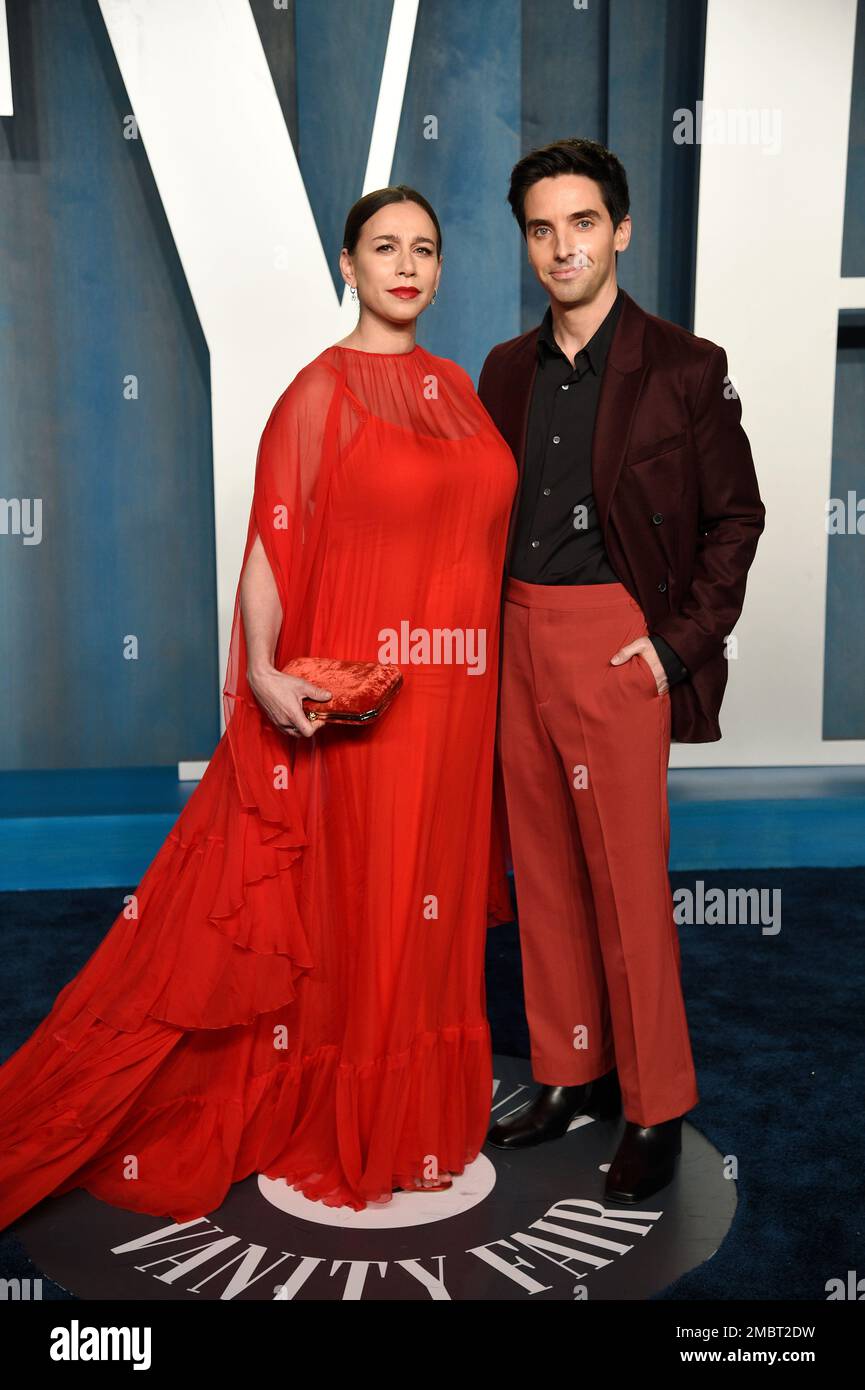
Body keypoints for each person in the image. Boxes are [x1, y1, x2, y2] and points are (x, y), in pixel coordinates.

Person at [0, 186, 517, 1226]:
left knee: (433, 905)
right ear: (347, 263)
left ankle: (420, 1119)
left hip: (457, 709)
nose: (406, 265)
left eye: (424, 248)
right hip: (360, 711)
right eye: (384, 247)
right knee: (363, 906)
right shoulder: (316, 394)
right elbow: (269, 550)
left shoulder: (461, 390)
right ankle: (353, 1118)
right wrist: (270, 670)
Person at [479, 138, 765, 1201]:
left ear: (621, 230)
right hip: (514, 636)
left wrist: (675, 644)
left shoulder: (684, 366)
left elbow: (737, 517)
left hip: (612, 643)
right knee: (542, 873)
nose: (563, 247)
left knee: (628, 886)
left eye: (583, 223)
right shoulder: (503, 370)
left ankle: (654, 1102)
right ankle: (571, 1071)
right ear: (527, 241)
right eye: (542, 228)